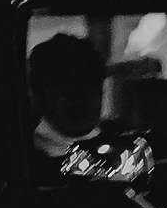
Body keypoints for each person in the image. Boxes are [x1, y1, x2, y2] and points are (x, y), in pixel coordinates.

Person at [24, 36, 109, 165]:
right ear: (37, 94)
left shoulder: (128, 152)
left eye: (87, 82)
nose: (77, 95)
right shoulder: (17, 159)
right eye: (61, 83)